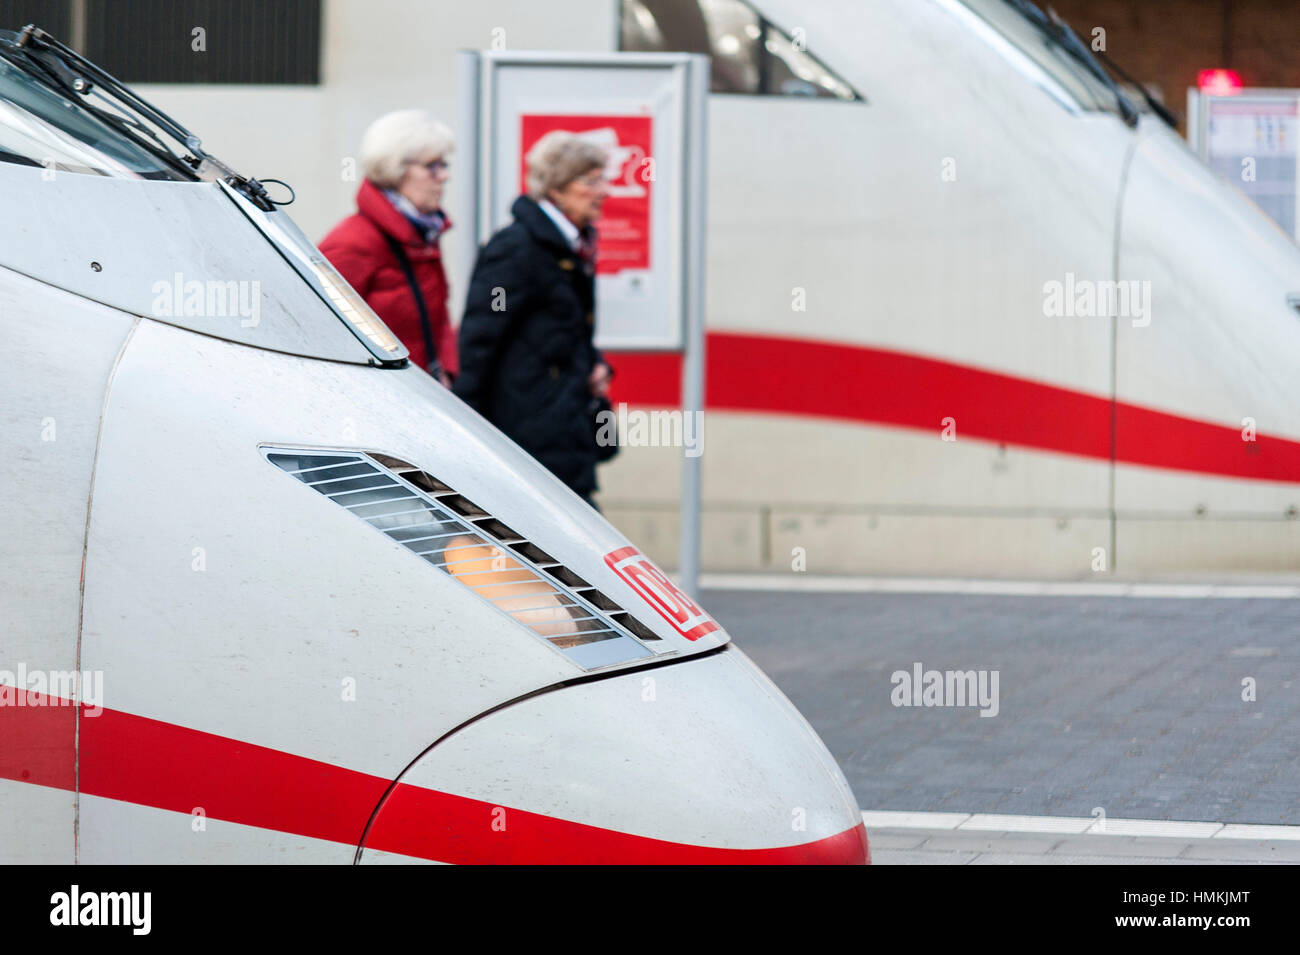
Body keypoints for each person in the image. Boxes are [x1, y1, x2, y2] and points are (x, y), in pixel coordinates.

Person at [454, 131, 614, 509]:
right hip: (528, 441)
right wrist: (466, 433)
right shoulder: (518, 248)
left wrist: (595, 365)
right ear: (556, 188)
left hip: (563, 433)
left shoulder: (571, 247)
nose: (604, 191)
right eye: (591, 181)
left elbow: (566, 333)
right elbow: (480, 339)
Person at [319, 110, 458, 386]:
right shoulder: (353, 242)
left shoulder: (423, 234)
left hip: (423, 398)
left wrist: (447, 372)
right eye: (432, 165)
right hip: (381, 407)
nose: (443, 176)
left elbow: (439, 319)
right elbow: (322, 335)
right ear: (395, 169)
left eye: (444, 165)